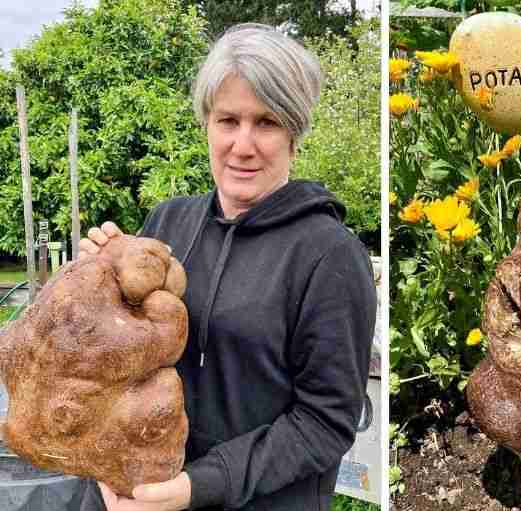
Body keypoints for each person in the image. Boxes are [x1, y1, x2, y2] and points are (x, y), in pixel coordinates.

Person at [77, 23, 377, 511]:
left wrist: (197, 487)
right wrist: (97, 285)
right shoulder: (168, 221)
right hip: (136, 492)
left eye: (266, 122)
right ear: (207, 124)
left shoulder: (330, 255)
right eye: (228, 120)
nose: (243, 144)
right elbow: (125, 355)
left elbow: (325, 422)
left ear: (294, 133)